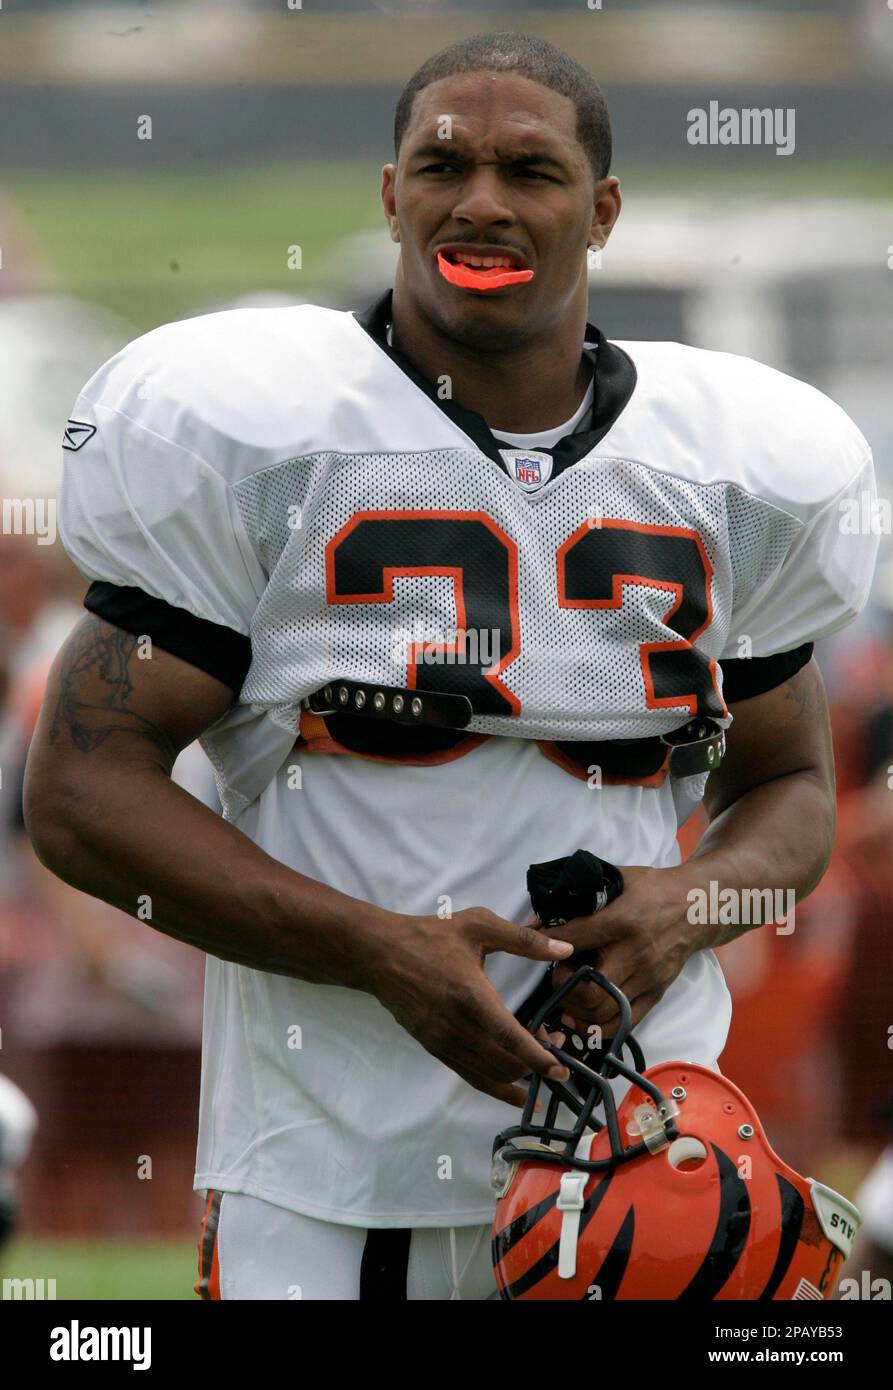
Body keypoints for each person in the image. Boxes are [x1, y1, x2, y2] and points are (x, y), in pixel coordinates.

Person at [24, 33, 878, 1300]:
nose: (479, 199)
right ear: (389, 195)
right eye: (443, 163)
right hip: (333, 1173)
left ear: (600, 213)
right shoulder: (260, 437)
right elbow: (82, 790)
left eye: (527, 169)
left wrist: (688, 906)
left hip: (645, 1156)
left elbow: (788, 780)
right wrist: (376, 948)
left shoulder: (731, 466)